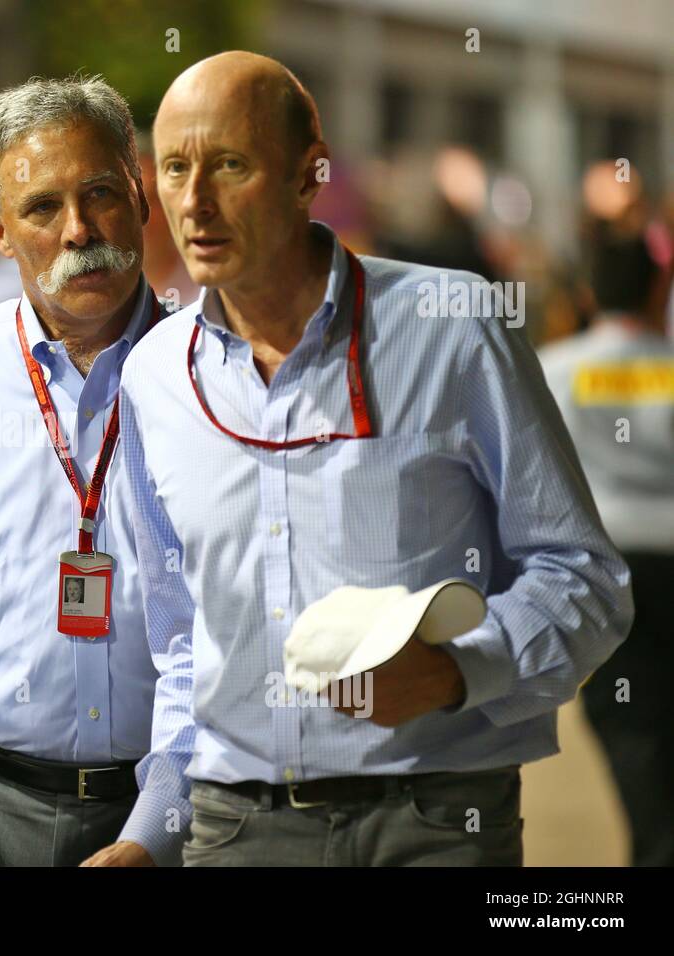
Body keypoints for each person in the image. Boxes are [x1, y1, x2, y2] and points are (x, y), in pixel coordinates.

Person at [113, 51, 634, 866]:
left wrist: (462, 670)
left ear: (308, 174)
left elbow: (584, 576)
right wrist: (154, 824)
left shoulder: (451, 326)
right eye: (175, 167)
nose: (194, 200)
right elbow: (180, 639)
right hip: (235, 830)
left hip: (433, 820)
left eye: (230, 165)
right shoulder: (154, 377)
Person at [0, 76, 185, 867]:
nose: (79, 230)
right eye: (42, 209)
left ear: (141, 195)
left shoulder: (213, 379)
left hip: (176, 815)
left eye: (100, 194)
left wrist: (157, 831)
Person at [539, 231, 674, 866]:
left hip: (606, 572)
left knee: (628, 720)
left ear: (588, 291)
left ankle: (651, 841)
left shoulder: (557, 368)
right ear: (659, 287)